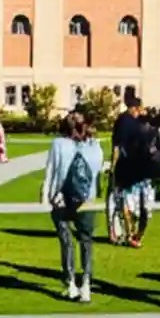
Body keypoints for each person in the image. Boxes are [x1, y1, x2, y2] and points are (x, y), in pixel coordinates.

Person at [42, 112, 104, 304]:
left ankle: (70, 283)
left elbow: (51, 170)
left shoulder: (58, 144)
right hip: (87, 199)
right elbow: (97, 171)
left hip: (62, 198)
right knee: (86, 241)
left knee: (66, 240)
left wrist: (46, 195)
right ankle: (85, 284)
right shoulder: (95, 145)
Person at [108, 96, 145, 246]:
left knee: (120, 200)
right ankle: (128, 233)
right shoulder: (134, 123)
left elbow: (116, 146)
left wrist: (113, 165)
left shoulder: (121, 121)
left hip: (125, 165)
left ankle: (119, 232)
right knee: (127, 200)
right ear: (134, 109)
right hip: (132, 165)